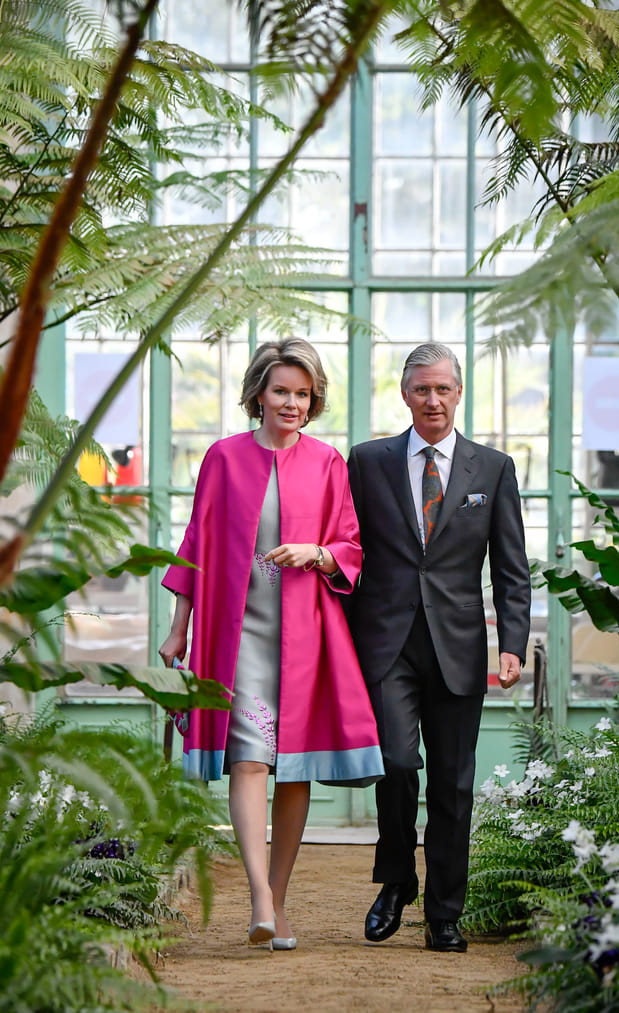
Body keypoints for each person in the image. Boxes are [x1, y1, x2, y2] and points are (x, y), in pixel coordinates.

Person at [159, 338, 383, 951]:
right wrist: (179, 625)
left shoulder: (328, 462)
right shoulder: (223, 458)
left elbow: (350, 546)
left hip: (306, 637)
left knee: (294, 769)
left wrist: (317, 553)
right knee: (250, 761)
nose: (292, 403)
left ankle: (278, 900)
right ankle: (259, 896)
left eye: (303, 394)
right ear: (258, 393)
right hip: (238, 639)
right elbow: (196, 541)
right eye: (281, 390)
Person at [346, 342, 531, 953]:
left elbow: (511, 567)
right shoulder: (367, 461)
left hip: (458, 647)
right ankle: (397, 878)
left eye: (443, 389)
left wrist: (512, 642)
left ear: (459, 393)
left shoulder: (493, 468)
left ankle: (445, 914)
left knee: (452, 785)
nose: (433, 400)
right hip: (386, 644)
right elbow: (347, 549)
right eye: (422, 389)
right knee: (396, 764)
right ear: (405, 395)